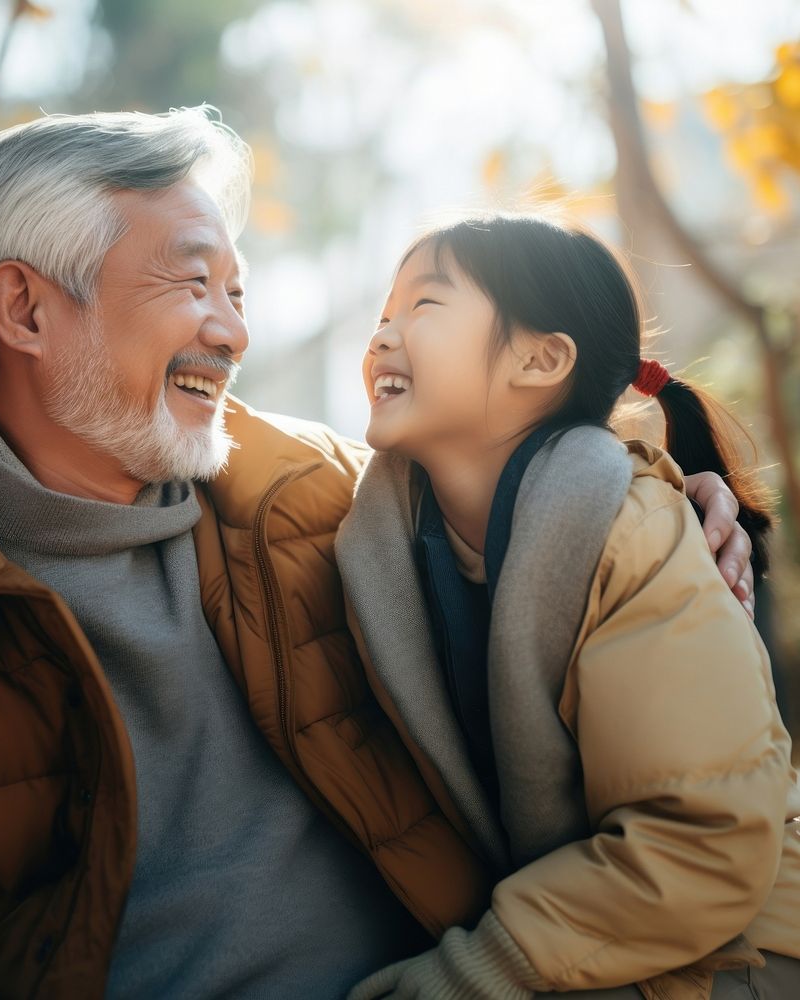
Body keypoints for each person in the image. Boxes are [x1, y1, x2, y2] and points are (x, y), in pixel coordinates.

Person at [0, 110, 755, 999]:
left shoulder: (313, 492)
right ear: (26, 309)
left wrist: (663, 489)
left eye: (239, 291)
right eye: (192, 283)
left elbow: (515, 462)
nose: (234, 332)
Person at [335, 213, 800, 999]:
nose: (383, 335)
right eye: (383, 314)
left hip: (743, 949)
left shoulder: (636, 535)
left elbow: (701, 843)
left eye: (424, 307)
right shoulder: (390, 532)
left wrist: (470, 974)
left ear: (541, 359)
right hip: (605, 936)